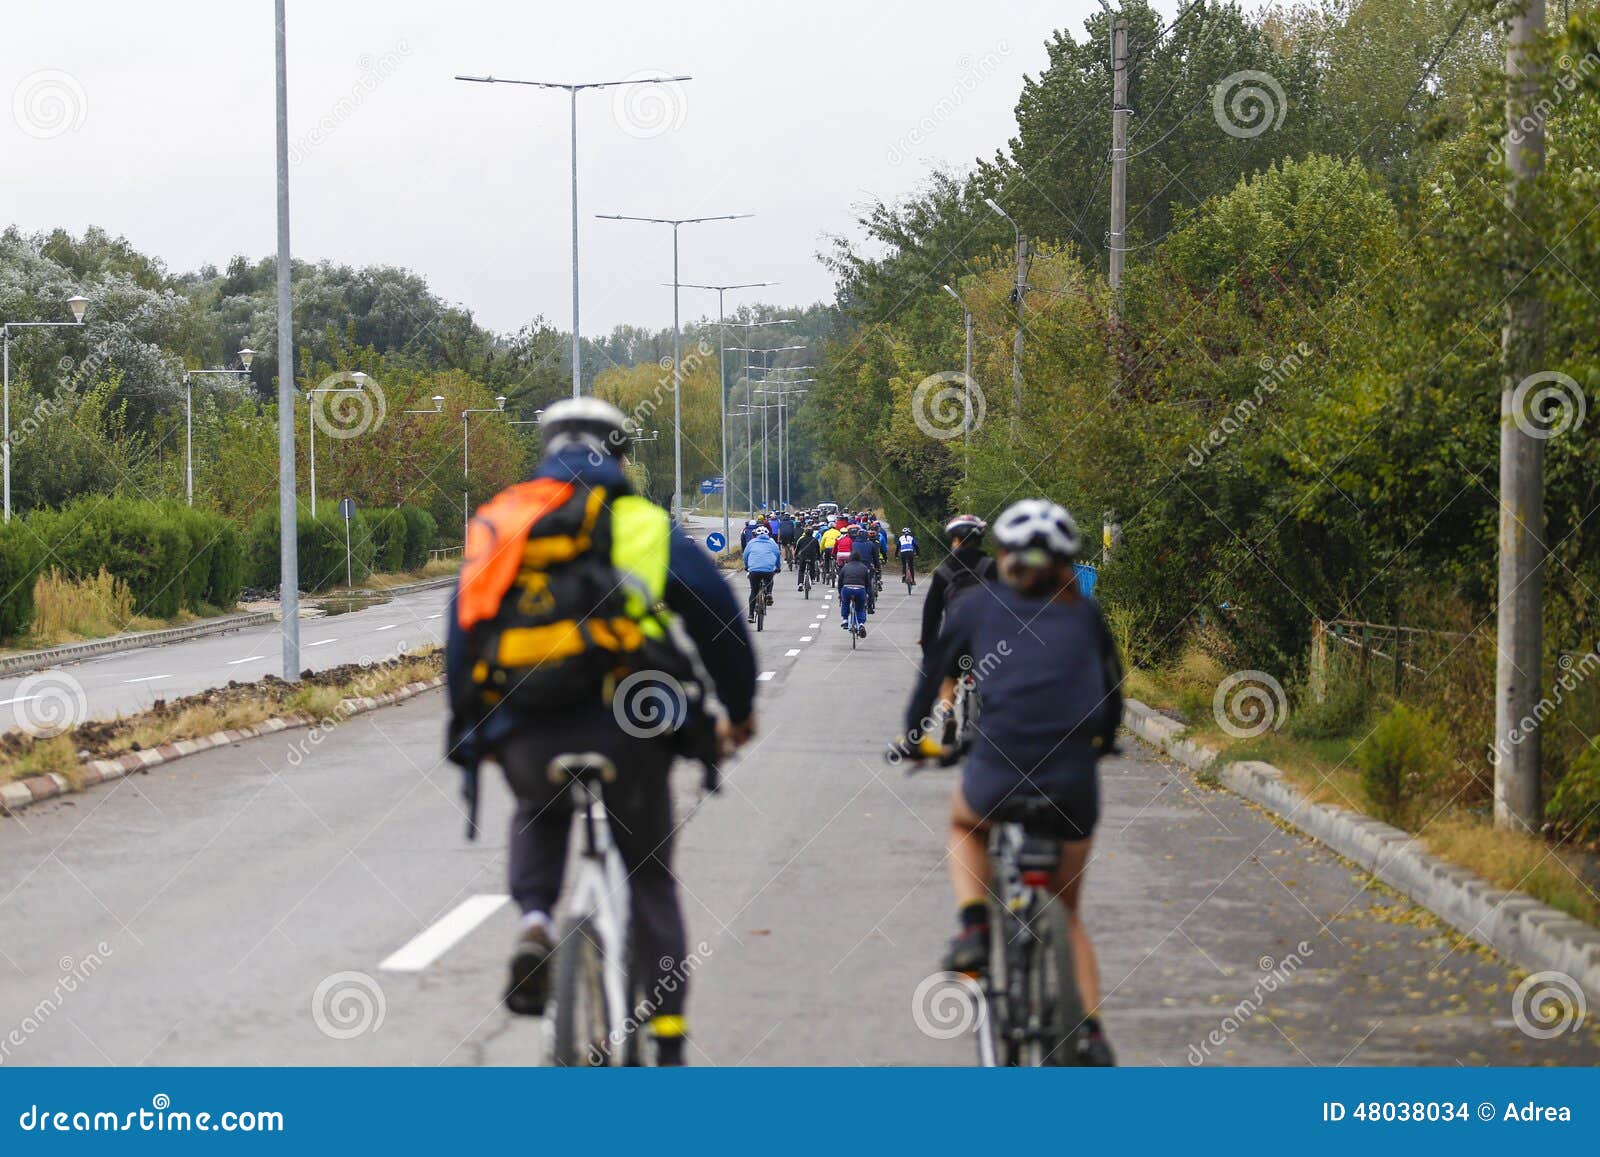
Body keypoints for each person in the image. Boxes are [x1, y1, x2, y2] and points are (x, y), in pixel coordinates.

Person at [444, 397, 757, 1066]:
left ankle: (534, 922)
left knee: (538, 805)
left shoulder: (502, 521)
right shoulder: (639, 522)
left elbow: (460, 634)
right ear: (619, 455)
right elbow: (718, 619)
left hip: (529, 729)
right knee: (648, 875)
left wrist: (473, 730)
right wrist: (738, 708)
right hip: (629, 725)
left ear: (545, 449)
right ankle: (667, 1039)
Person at [898, 499, 1121, 1067]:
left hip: (997, 768)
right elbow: (1112, 695)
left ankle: (974, 925)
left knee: (963, 823)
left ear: (1002, 557)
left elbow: (933, 675)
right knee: (1068, 915)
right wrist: (1103, 741)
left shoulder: (975, 606)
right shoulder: (1085, 615)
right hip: (1072, 780)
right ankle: (1091, 1035)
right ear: (1068, 564)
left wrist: (917, 738)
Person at [743, 524, 781, 622]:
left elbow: (745, 555)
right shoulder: (772, 543)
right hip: (768, 570)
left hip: (754, 571)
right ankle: (769, 593)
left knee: (753, 591)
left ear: (755, 534)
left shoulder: (751, 543)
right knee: (770, 578)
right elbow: (777, 555)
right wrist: (778, 567)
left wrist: (747, 566)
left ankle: (751, 615)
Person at [837, 554, 872, 637]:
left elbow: (840, 582)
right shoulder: (864, 568)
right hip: (860, 590)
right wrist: (868, 593)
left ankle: (845, 620)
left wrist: (840, 593)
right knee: (860, 608)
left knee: (845, 602)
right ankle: (861, 624)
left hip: (847, 589)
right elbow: (868, 583)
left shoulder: (845, 567)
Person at [794, 518, 821, 589]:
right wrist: (819, 557)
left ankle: (800, 583)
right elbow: (818, 550)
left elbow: (797, 549)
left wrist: (795, 557)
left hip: (803, 557)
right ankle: (812, 579)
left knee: (801, 570)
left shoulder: (801, 539)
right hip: (812, 557)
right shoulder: (815, 540)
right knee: (812, 567)